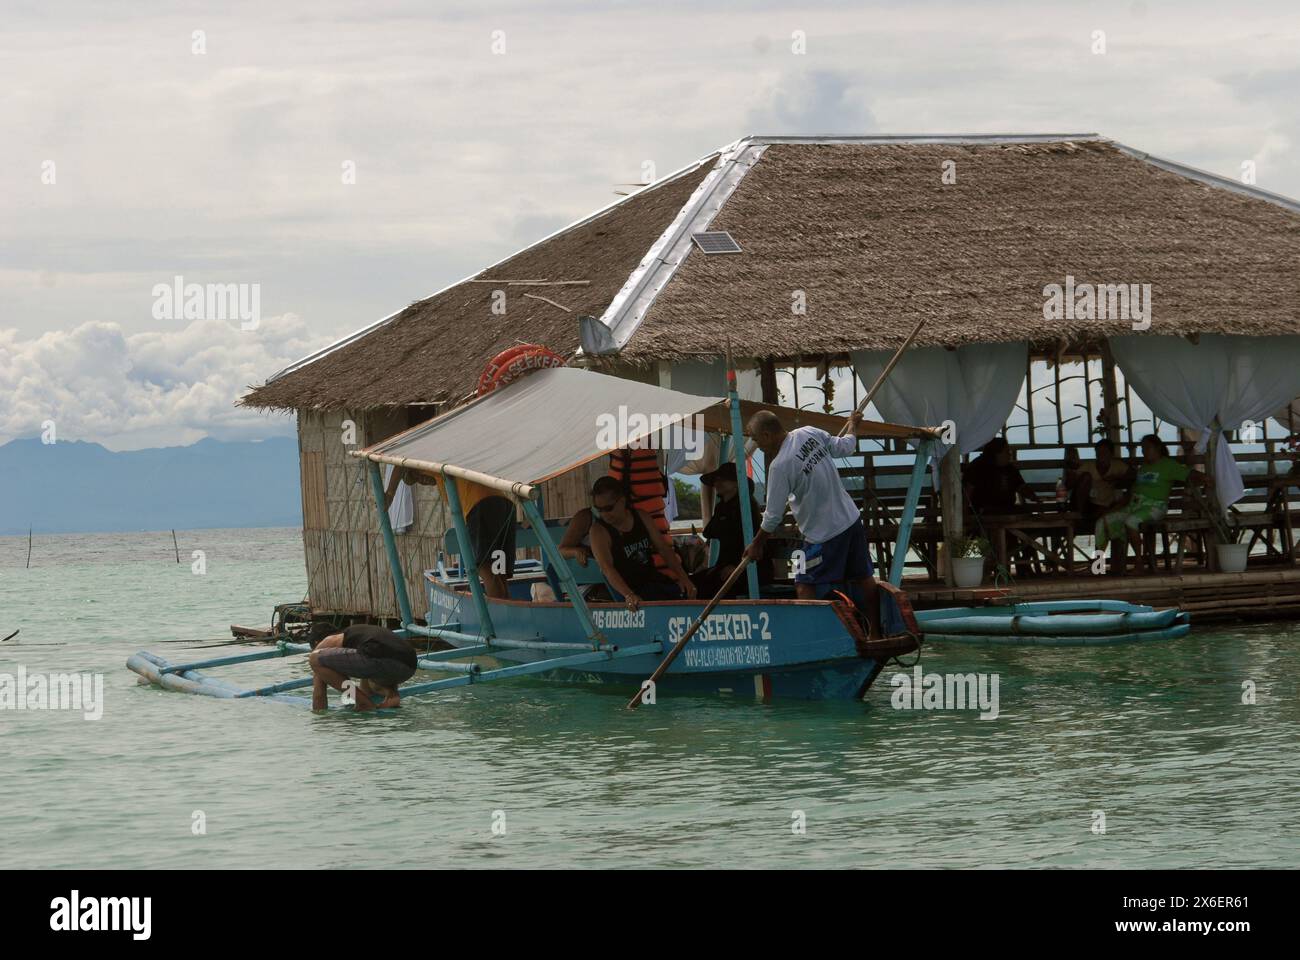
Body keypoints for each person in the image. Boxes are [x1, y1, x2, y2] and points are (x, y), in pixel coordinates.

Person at [740, 409, 881, 639]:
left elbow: (773, 517)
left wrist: (756, 544)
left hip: (824, 535)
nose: (757, 446)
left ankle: (815, 640)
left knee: (803, 583)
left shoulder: (779, 466)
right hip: (851, 520)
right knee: (864, 577)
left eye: (756, 440)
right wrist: (853, 425)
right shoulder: (809, 432)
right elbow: (846, 446)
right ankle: (875, 633)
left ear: (766, 435)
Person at [387, 469, 515, 599]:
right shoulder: (443, 478)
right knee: (498, 569)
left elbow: (399, 466)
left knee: (485, 567)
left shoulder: (436, 467)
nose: (422, 480)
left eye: (417, 475)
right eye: (417, 480)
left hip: (481, 504)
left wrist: (390, 494)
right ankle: (508, 610)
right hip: (504, 504)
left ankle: (497, 612)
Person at [1095, 433, 1207, 573]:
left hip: (1154, 507)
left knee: (1131, 522)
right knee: (1102, 523)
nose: (1144, 451)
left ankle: (1139, 562)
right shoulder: (1144, 467)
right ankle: (1098, 566)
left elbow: (1189, 474)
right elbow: (1132, 492)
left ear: (1158, 448)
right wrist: (1116, 507)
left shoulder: (1168, 465)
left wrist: (1208, 478)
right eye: (1142, 448)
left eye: (1147, 448)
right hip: (1134, 506)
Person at [588, 476, 697, 611]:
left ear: (622, 501)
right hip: (627, 590)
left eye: (609, 508)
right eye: (600, 510)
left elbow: (663, 549)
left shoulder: (642, 517)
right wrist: (629, 595)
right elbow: (607, 568)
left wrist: (684, 578)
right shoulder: (598, 531)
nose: (604, 514)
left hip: (652, 582)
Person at [694, 461, 771, 596]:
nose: (718, 483)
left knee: (707, 587)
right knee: (693, 583)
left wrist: (736, 566)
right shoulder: (721, 507)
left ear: (736, 483)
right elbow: (709, 532)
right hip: (725, 565)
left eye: (724, 479)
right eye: (717, 480)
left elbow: (754, 538)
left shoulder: (747, 505)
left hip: (749, 567)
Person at [308, 624, 417, 711]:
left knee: (314, 659)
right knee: (368, 687)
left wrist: (319, 718)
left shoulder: (328, 641)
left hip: (380, 660)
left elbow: (319, 694)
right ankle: (391, 695)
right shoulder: (360, 634)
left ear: (317, 642)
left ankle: (364, 703)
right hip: (409, 666)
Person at [963, 437, 1039, 514]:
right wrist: (964, 513)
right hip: (983, 510)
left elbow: (1020, 486)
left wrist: (1032, 496)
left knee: (1026, 514)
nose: (1010, 454)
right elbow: (968, 490)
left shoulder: (1009, 468)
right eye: (1006, 451)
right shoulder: (978, 466)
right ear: (996, 453)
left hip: (1007, 508)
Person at [1069, 439, 1132, 525]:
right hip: (1085, 504)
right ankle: (1080, 515)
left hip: (1105, 505)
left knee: (1109, 513)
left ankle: (1094, 518)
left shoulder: (1118, 465)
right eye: (1098, 452)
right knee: (1086, 476)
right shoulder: (1088, 466)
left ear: (1111, 454)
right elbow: (1069, 484)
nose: (1101, 455)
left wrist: (1118, 478)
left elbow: (1133, 476)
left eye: (1104, 452)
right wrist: (1073, 473)